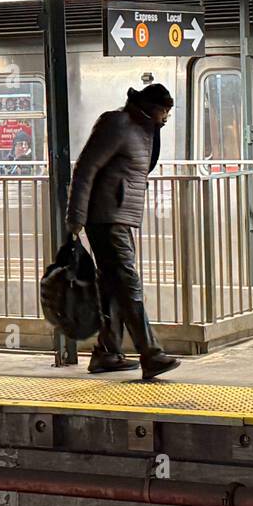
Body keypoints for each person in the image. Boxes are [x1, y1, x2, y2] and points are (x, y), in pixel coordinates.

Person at [66, 83, 180, 379]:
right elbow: (86, 167)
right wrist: (75, 217)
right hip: (105, 218)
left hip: (120, 217)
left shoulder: (144, 130)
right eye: (164, 110)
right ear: (150, 106)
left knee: (112, 286)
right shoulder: (117, 123)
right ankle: (151, 354)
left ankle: (108, 352)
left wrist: (156, 128)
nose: (167, 116)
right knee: (128, 283)